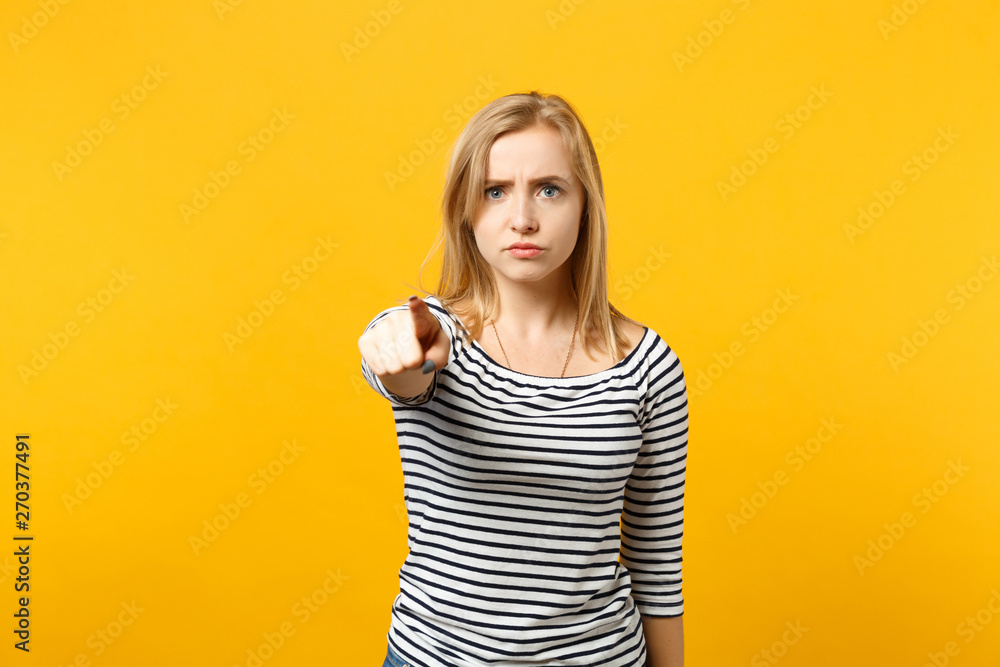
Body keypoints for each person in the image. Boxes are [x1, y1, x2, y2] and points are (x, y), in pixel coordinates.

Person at [359, 91, 688, 667]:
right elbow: (402, 369)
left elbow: (656, 558)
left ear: (586, 206)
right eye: (495, 191)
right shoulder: (439, 338)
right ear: (467, 210)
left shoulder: (647, 365)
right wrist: (394, 350)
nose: (523, 218)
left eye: (549, 189)